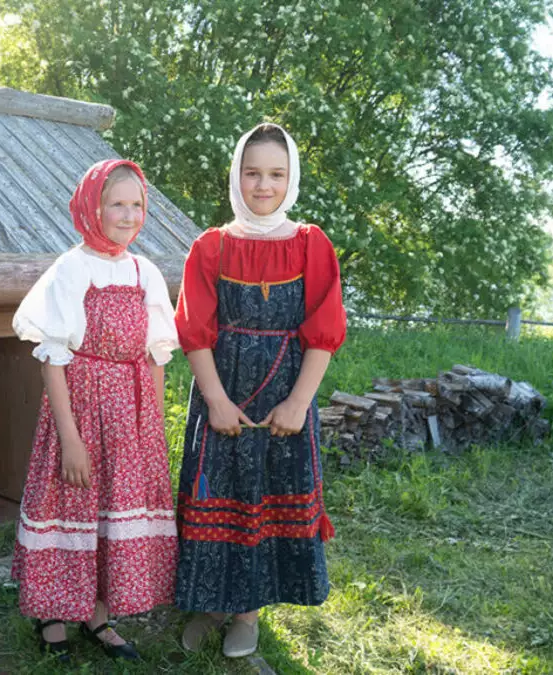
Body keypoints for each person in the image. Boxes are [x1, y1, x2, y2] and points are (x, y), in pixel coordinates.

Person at [173, 123, 347, 658]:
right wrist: (217, 400)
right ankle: (208, 602)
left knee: (264, 502)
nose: (263, 185)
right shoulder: (211, 247)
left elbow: (326, 328)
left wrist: (298, 403)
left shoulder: (311, 244)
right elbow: (193, 329)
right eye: (252, 173)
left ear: (290, 178)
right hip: (221, 390)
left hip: (284, 400)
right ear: (236, 177)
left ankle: (247, 614)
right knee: (216, 496)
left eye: (276, 173)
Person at [10, 159, 179, 662]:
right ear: (93, 207)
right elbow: (53, 359)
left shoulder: (144, 271)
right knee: (69, 502)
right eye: (116, 204)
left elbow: (155, 355)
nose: (127, 216)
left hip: (131, 412)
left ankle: (99, 613)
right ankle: (54, 613)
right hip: (81, 406)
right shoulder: (72, 268)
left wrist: (150, 430)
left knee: (112, 511)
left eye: (136, 205)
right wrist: (70, 438)